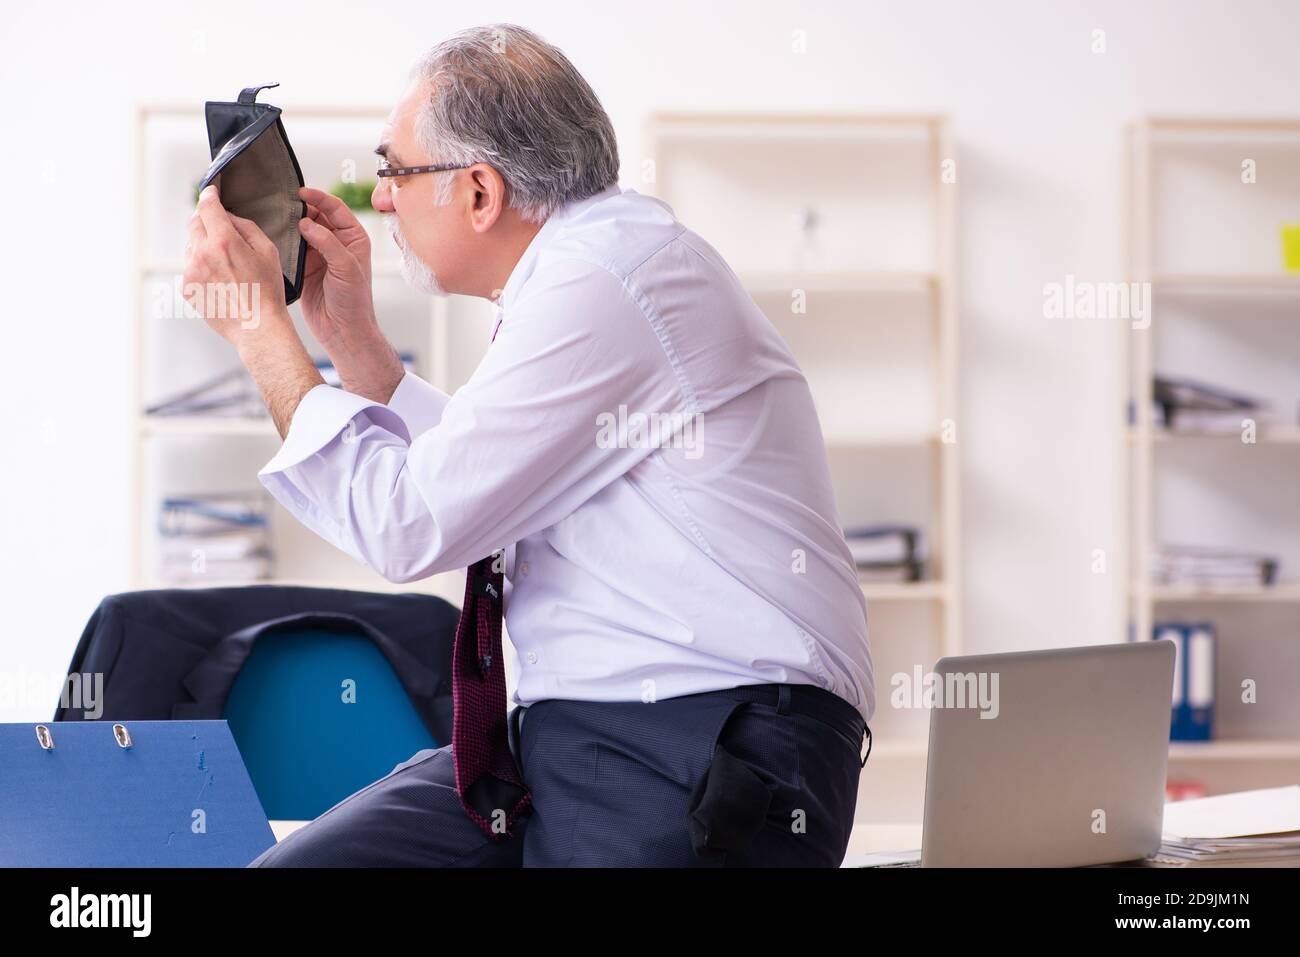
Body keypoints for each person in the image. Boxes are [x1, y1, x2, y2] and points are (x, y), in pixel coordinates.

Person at [182, 22, 873, 867]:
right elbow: (477, 482)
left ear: (480, 191)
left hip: (702, 742)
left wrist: (262, 333)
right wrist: (353, 341)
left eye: (395, 170)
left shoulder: (608, 280)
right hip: (571, 737)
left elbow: (411, 524)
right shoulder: (594, 268)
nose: (383, 198)